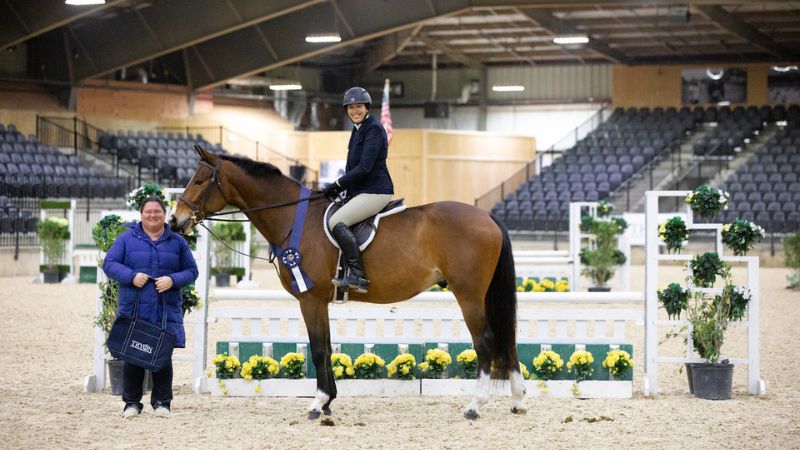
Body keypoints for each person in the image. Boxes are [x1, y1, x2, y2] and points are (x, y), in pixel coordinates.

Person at [102, 196, 198, 419]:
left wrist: (172, 280)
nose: (153, 215)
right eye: (148, 212)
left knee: (163, 355)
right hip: (134, 307)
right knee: (132, 354)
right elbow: (109, 264)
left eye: (157, 211)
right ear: (141, 214)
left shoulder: (177, 242)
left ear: (164, 214)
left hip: (165, 308)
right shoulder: (126, 239)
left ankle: (162, 403)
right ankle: (132, 403)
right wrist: (131, 276)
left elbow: (192, 271)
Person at [322, 86, 394, 293]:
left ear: (367, 107)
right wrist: (342, 190)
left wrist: (337, 184)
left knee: (337, 222)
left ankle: (357, 275)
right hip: (361, 190)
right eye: (351, 107)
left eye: (359, 107)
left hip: (376, 191)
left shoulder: (373, 128)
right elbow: (351, 167)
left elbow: (364, 168)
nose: (355, 111)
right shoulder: (358, 129)